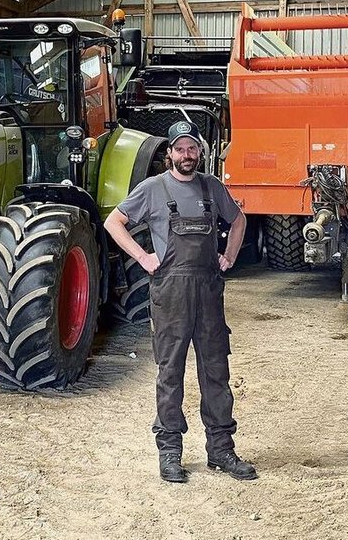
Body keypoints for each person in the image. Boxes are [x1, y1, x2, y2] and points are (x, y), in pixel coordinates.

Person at [104, 120, 254, 484]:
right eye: (180, 149)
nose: (187, 155)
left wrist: (229, 256)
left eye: (192, 148)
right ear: (169, 153)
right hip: (170, 294)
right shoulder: (153, 189)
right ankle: (169, 452)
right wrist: (144, 258)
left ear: (199, 152)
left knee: (216, 371)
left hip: (208, 292)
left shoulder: (211, 187)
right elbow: (113, 222)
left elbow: (238, 220)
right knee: (170, 372)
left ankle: (221, 450)